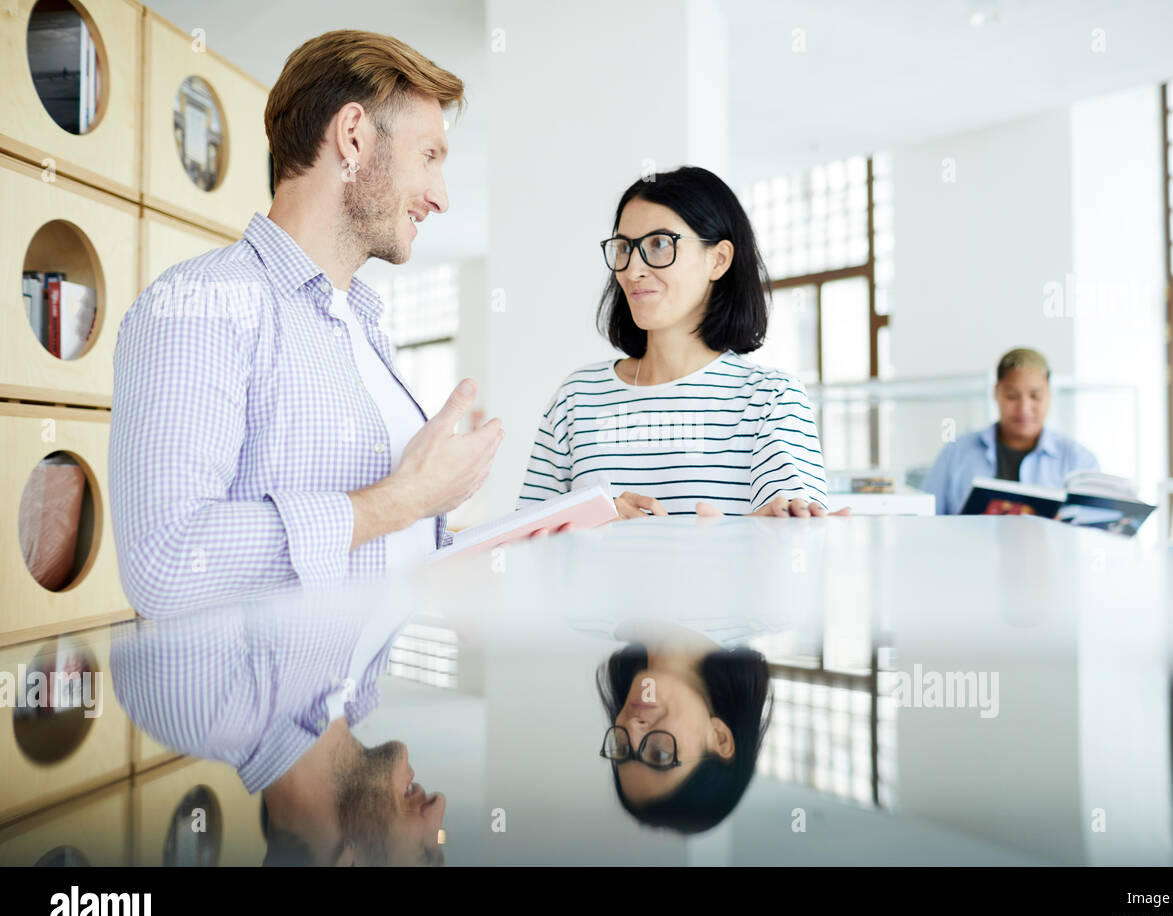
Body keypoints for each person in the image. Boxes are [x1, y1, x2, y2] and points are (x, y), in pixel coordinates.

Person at [108, 31, 503, 618]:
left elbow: (380, 547)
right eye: (429, 157)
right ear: (353, 137)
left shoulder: (362, 327)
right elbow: (164, 563)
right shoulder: (202, 302)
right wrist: (406, 499)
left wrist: (536, 538)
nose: (439, 197)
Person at [519, 166, 845, 520]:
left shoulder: (772, 400)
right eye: (625, 248)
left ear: (718, 260)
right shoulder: (576, 398)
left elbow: (796, 540)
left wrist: (751, 539)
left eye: (659, 244)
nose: (632, 270)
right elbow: (525, 548)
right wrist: (593, 524)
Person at [111, 599, 445, 866]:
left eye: (423, 856)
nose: (439, 806)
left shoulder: (195, 705)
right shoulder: (367, 678)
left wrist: (392, 515)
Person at [596, 622, 771, 834]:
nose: (632, 727)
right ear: (720, 737)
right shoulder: (769, 612)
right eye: (659, 753)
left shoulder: (584, 616)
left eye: (622, 748)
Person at [922, 347, 1100, 515]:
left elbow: (1094, 534)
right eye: (1011, 396)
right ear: (996, 393)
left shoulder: (1079, 461)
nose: (1024, 408)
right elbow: (926, 520)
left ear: (1049, 394)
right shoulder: (956, 452)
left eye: (1035, 396)